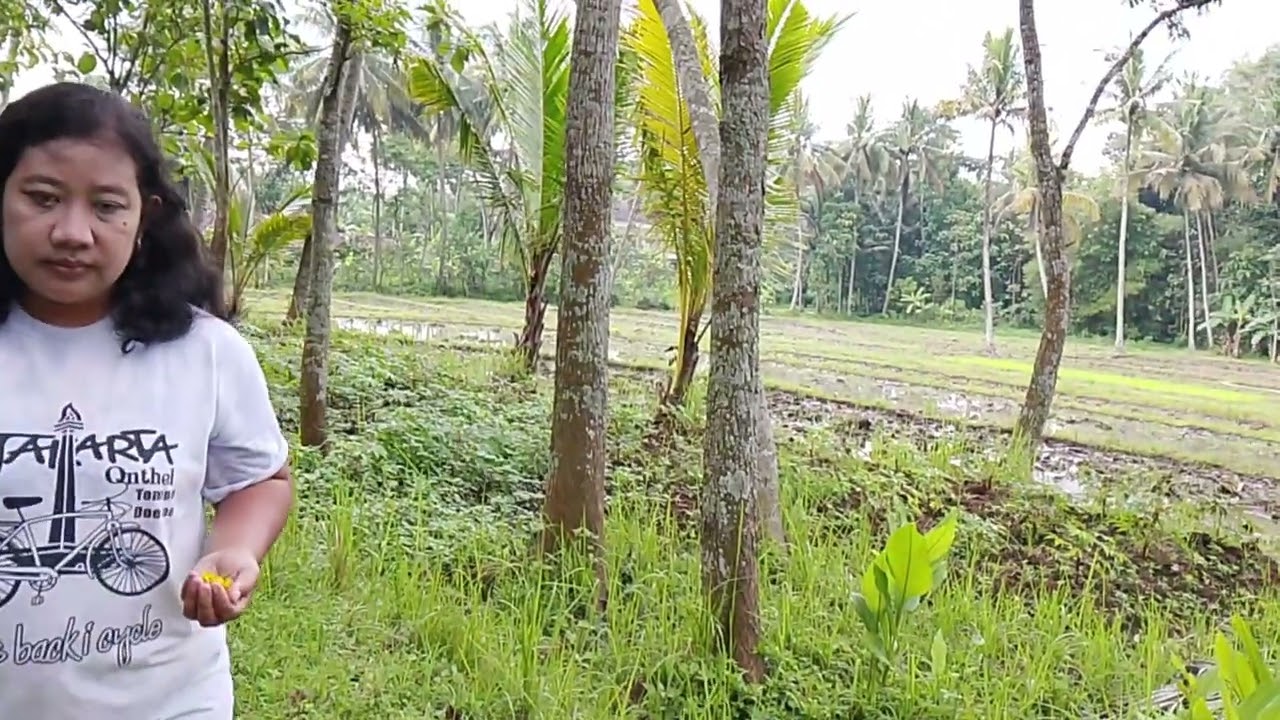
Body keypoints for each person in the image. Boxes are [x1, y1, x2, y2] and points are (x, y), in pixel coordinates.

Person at [0, 82, 294, 718]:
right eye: (43, 198)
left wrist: (236, 548)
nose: (72, 232)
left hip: (168, 701)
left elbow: (260, 480)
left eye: (107, 206)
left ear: (144, 216)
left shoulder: (205, 351)